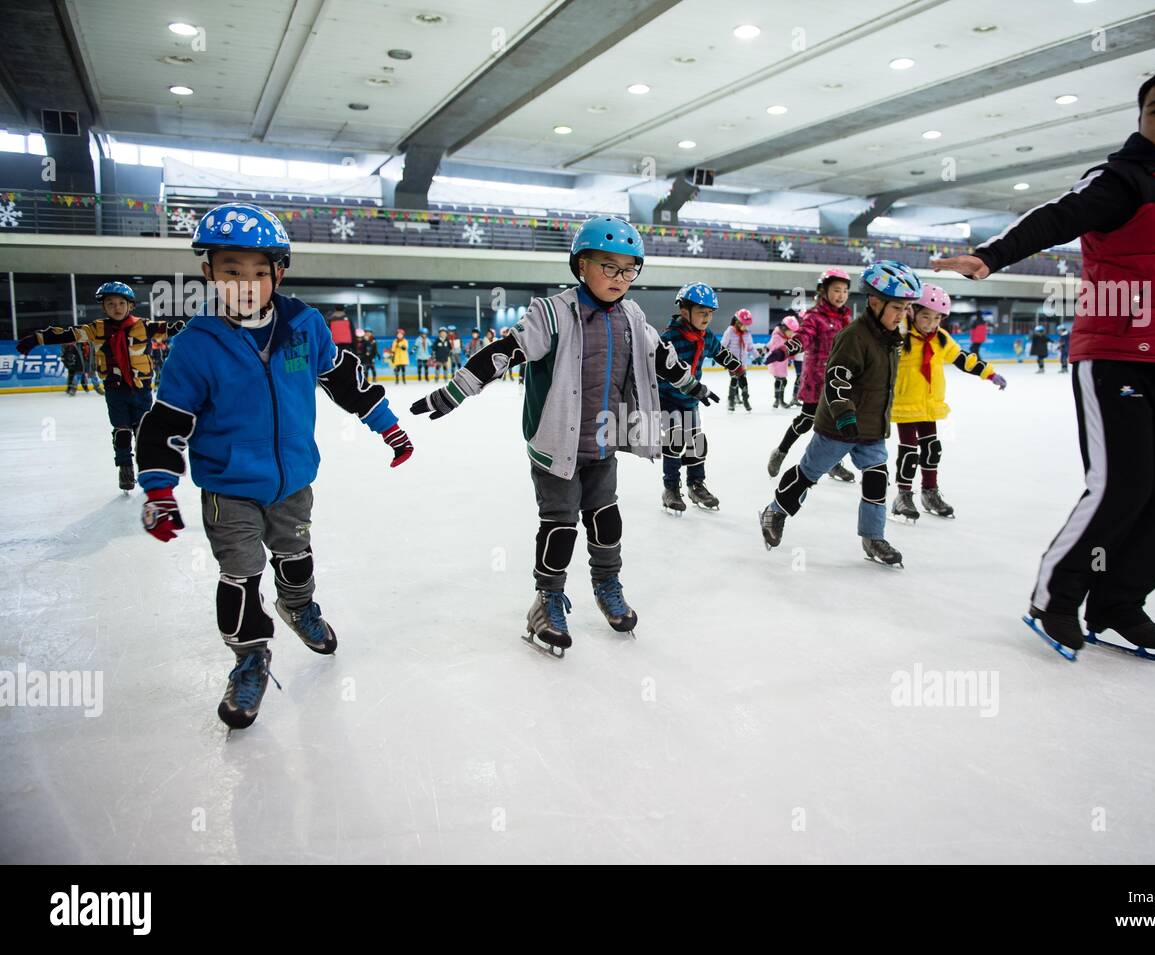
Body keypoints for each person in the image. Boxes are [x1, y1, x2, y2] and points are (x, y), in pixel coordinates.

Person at [933, 61, 1155, 658]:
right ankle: (1055, 597)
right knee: (1121, 485)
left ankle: (1118, 602)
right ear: (1141, 118)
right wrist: (990, 256)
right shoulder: (1123, 177)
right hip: (1116, 357)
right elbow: (1058, 216)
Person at [135, 202, 414, 730]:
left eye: (258, 272)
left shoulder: (304, 327)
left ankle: (298, 605)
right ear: (208, 273)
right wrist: (158, 489)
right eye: (230, 271)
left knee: (295, 555)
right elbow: (166, 422)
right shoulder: (196, 346)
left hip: (293, 481)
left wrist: (387, 426)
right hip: (229, 487)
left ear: (278, 273)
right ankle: (249, 658)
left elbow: (344, 381)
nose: (245, 283)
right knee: (239, 574)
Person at [407, 215, 716, 657]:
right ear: (580, 265)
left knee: (606, 518)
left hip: (606, 441)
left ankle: (607, 585)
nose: (620, 277)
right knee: (560, 525)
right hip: (556, 444)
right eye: (608, 266)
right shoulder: (551, 314)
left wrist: (693, 386)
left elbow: (662, 357)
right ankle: (547, 601)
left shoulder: (632, 316)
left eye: (630, 269)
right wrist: (453, 392)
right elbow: (503, 352)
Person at [760, 261, 922, 567]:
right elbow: (836, 380)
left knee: (876, 478)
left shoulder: (889, 339)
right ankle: (775, 511)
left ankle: (873, 537)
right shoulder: (855, 336)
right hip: (838, 426)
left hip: (872, 428)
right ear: (875, 302)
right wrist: (845, 416)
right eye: (898, 308)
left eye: (906, 309)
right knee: (808, 474)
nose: (903, 315)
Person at [17, 281, 182, 491]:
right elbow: (68, 334)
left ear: (130, 306)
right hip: (115, 390)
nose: (117, 307)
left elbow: (173, 329)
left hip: (141, 389)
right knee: (121, 430)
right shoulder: (97, 329)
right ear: (103, 307)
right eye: (111, 303)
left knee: (143, 431)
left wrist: (192, 326)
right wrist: (36, 339)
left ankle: (147, 469)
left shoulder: (144, 326)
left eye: (122, 303)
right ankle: (125, 468)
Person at [889, 283, 1006, 522]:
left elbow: (962, 358)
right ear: (912, 311)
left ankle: (930, 492)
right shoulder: (900, 335)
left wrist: (989, 373)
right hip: (905, 404)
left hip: (930, 404)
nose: (930, 324)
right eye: (925, 317)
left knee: (932, 449)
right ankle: (903, 494)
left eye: (936, 319)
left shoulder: (940, 338)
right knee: (909, 451)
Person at [658, 282, 746, 513]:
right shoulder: (669, 338)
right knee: (676, 438)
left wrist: (733, 364)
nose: (707, 318)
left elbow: (719, 351)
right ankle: (671, 488)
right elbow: (659, 367)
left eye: (710, 313)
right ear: (684, 311)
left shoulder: (705, 337)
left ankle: (696, 484)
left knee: (696, 442)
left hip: (690, 400)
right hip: (667, 397)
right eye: (701, 313)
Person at [765, 268, 856, 482]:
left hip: (840, 381)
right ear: (823, 291)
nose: (841, 295)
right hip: (817, 380)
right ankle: (780, 451)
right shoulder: (815, 317)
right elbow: (803, 338)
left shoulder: (847, 319)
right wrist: (783, 351)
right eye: (836, 290)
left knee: (838, 426)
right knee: (806, 421)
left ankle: (833, 464)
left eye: (844, 291)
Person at [721, 309, 756, 412]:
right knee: (734, 379)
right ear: (737, 322)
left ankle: (745, 399)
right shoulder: (730, 331)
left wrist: (756, 356)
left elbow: (750, 347)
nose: (746, 327)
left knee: (744, 381)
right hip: (732, 362)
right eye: (744, 324)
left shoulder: (747, 333)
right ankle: (731, 400)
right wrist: (718, 357)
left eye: (747, 325)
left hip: (743, 363)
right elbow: (723, 345)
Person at [767, 316, 800, 408]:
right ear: (784, 328)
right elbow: (775, 349)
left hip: (781, 363)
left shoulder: (784, 336)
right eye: (791, 331)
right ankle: (779, 400)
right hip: (776, 363)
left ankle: (778, 400)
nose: (792, 334)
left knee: (782, 381)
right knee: (780, 380)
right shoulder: (777, 337)